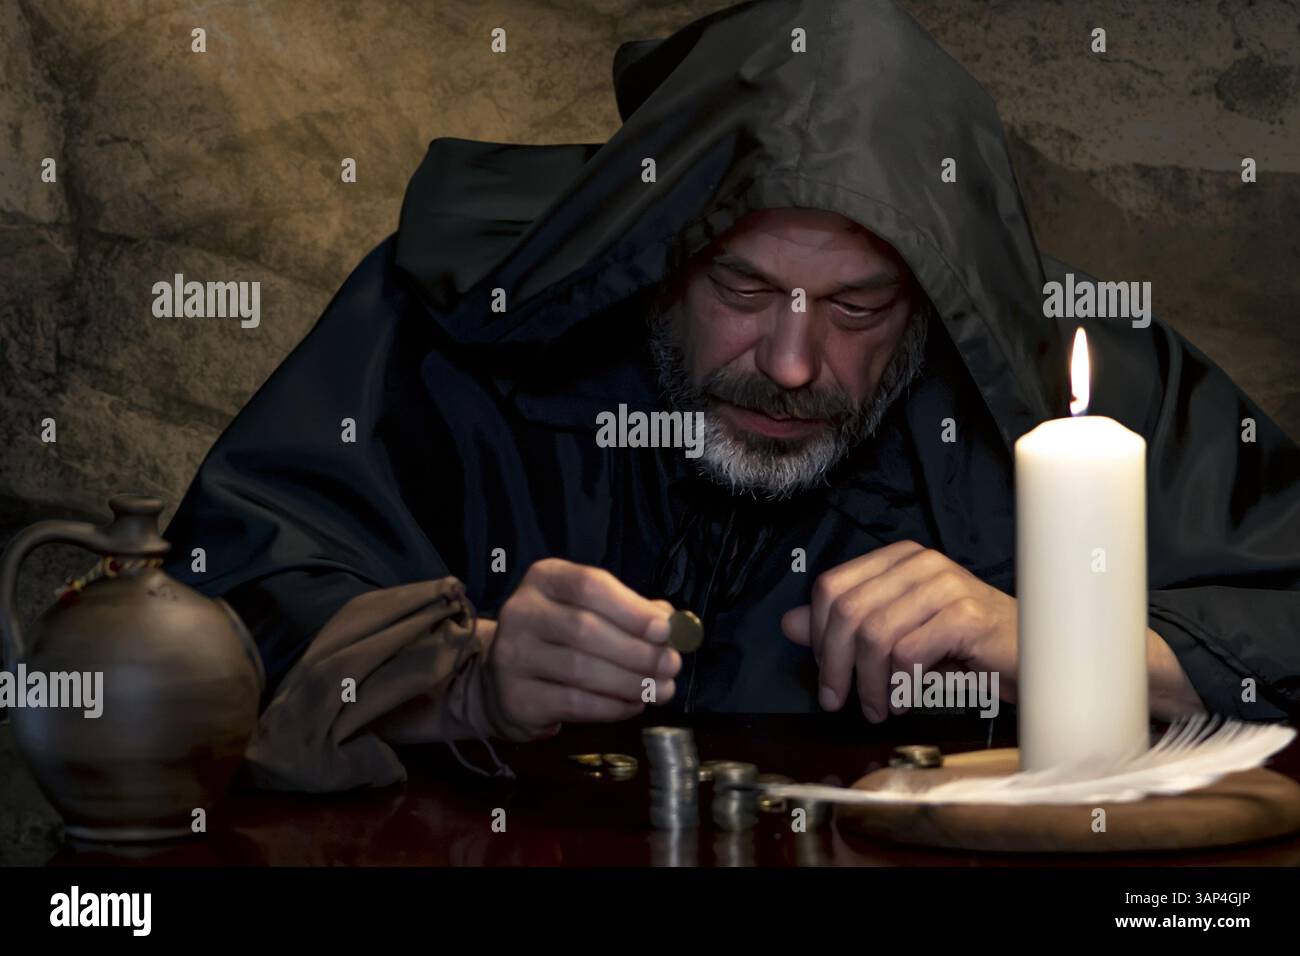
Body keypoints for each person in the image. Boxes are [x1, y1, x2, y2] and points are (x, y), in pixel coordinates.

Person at [163, 0, 1300, 791]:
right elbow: (215, 613)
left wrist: (1064, 638)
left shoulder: (1077, 370)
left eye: (860, 308)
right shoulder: (455, 321)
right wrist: (462, 676)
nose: (793, 363)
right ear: (658, 250)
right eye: (743, 286)